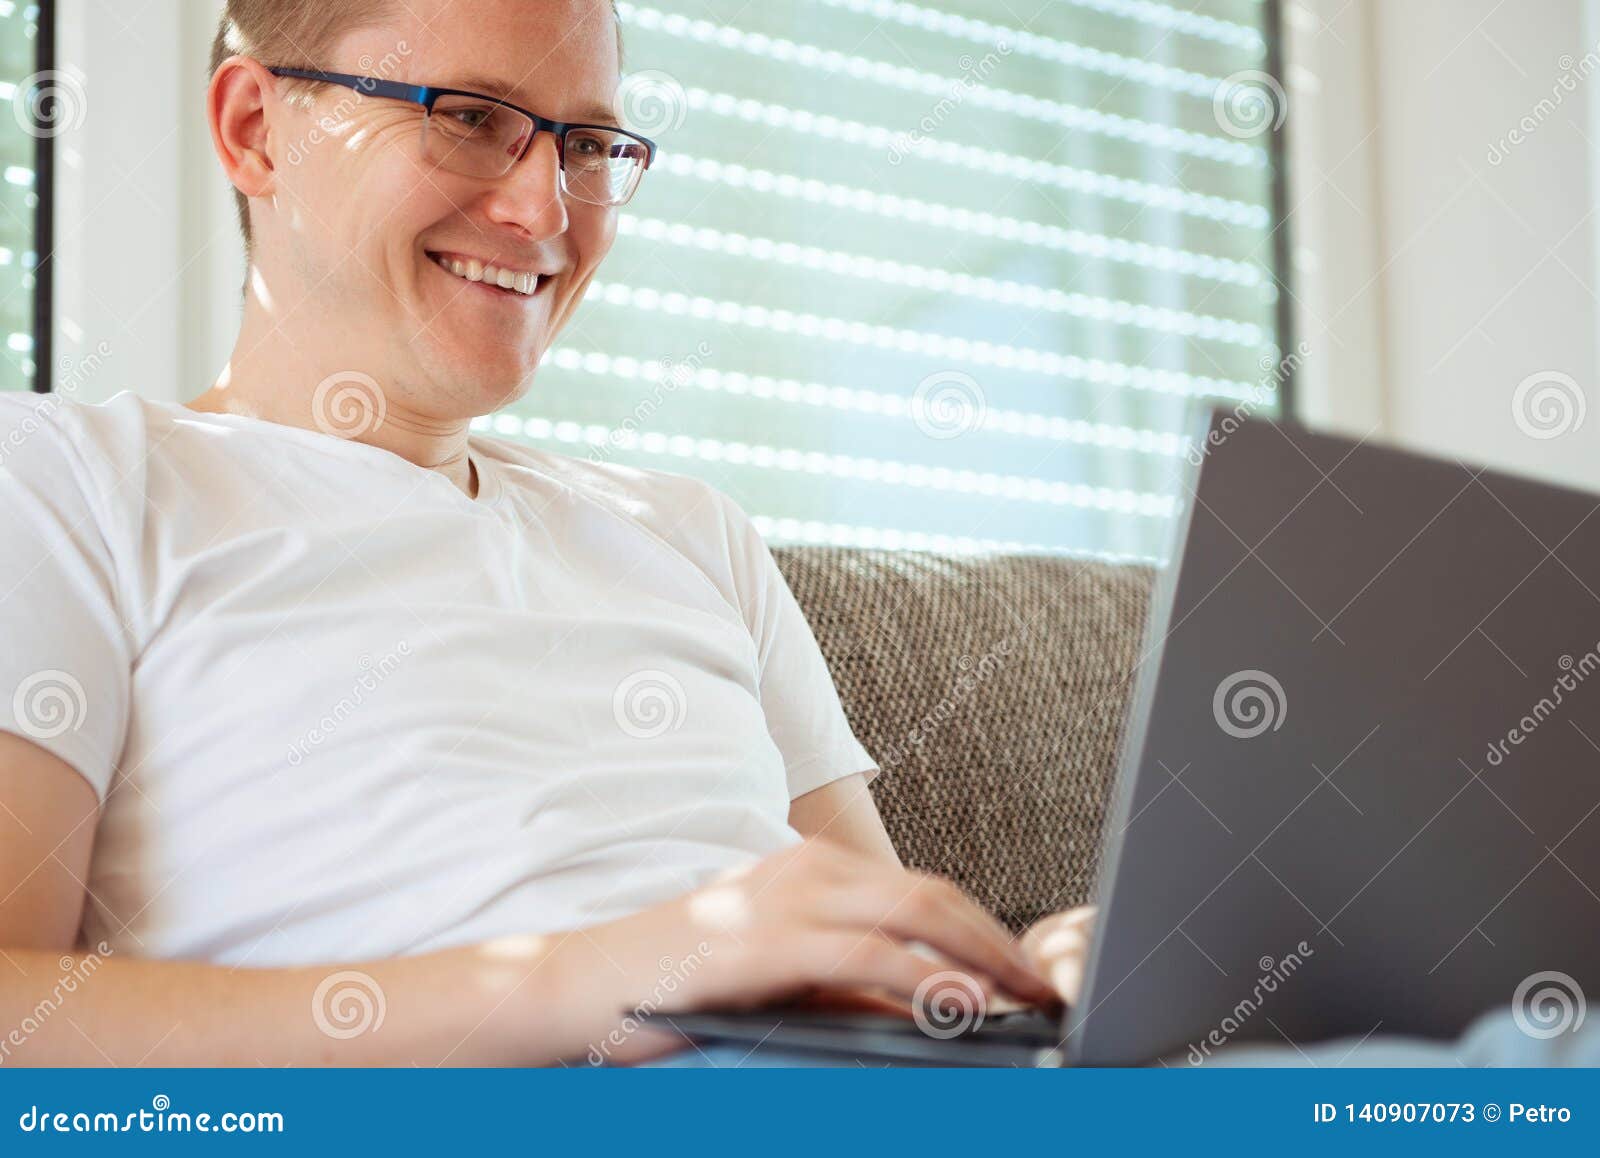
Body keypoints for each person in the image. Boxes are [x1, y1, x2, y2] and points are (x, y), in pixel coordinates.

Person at [0, 0, 1069, 1067]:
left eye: (588, 146)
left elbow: (883, 944)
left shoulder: (691, 533)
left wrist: (1030, 985)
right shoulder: (69, 481)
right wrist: (608, 974)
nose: (542, 209)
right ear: (253, 129)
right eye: (468, 117)